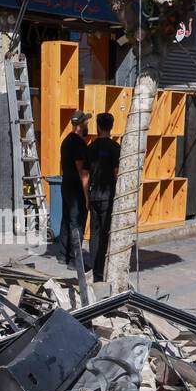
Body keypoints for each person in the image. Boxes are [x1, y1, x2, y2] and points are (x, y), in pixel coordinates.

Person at [87, 111, 121, 282]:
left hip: (93, 195)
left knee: (94, 232)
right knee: (106, 233)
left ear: (98, 127)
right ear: (111, 126)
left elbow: (86, 174)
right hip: (109, 196)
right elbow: (117, 173)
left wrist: (87, 196)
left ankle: (93, 268)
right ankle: (102, 268)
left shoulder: (90, 148)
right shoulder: (116, 148)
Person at [58, 111, 90, 268]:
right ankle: (74, 259)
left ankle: (63, 255)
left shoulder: (66, 141)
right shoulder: (78, 144)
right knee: (76, 222)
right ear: (81, 124)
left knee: (67, 220)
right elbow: (82, 171)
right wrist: (87, 195)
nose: (88, 126)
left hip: (66, 185)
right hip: (76, 188)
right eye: (86, 123)